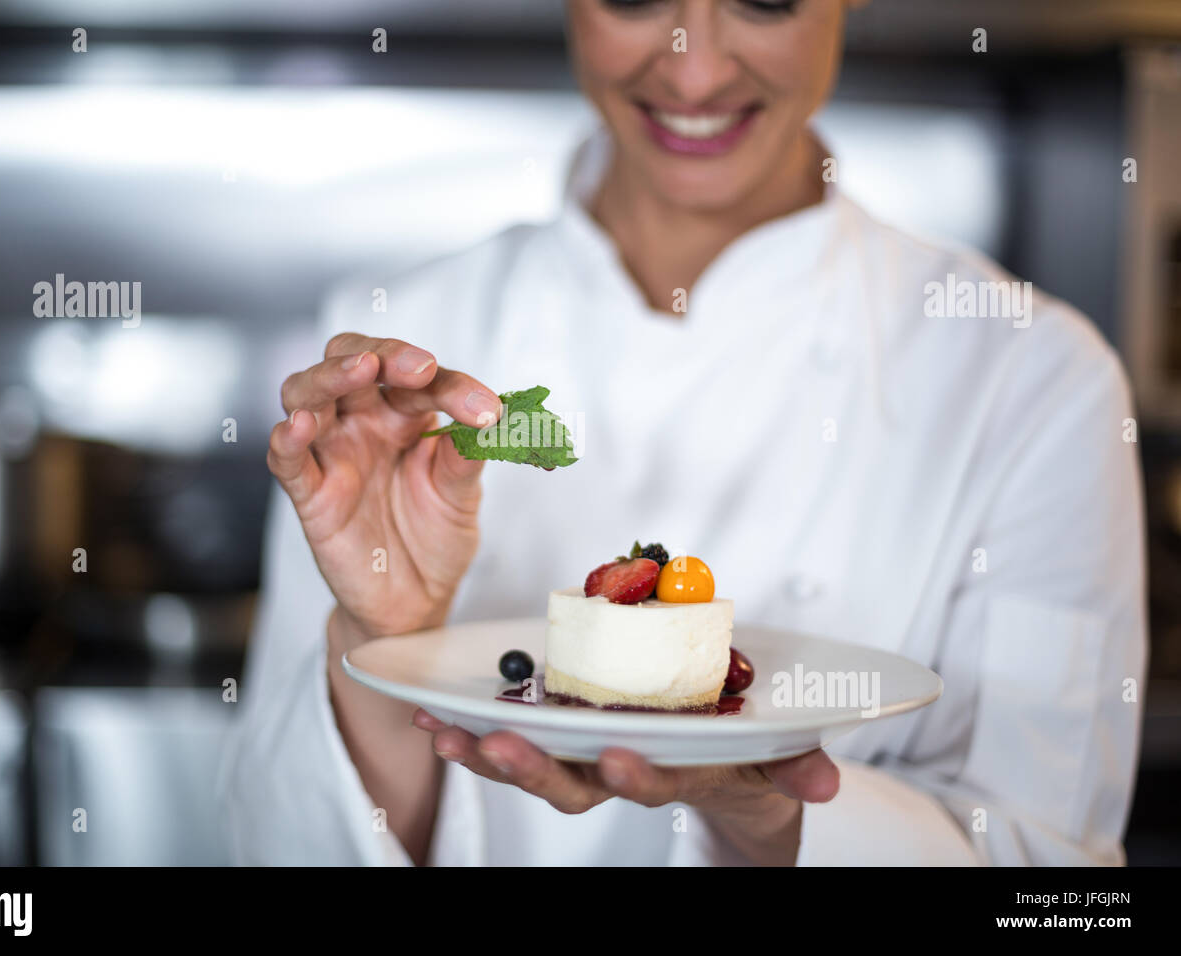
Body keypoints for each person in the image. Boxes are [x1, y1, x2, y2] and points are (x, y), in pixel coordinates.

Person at [221, 0, 1146, 866]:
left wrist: (770, 821)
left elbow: (1059, 897)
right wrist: (380, 631)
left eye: (764, 0)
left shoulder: (1033, 380)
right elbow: (272, 846)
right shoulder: (399, 357)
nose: (695, 71)